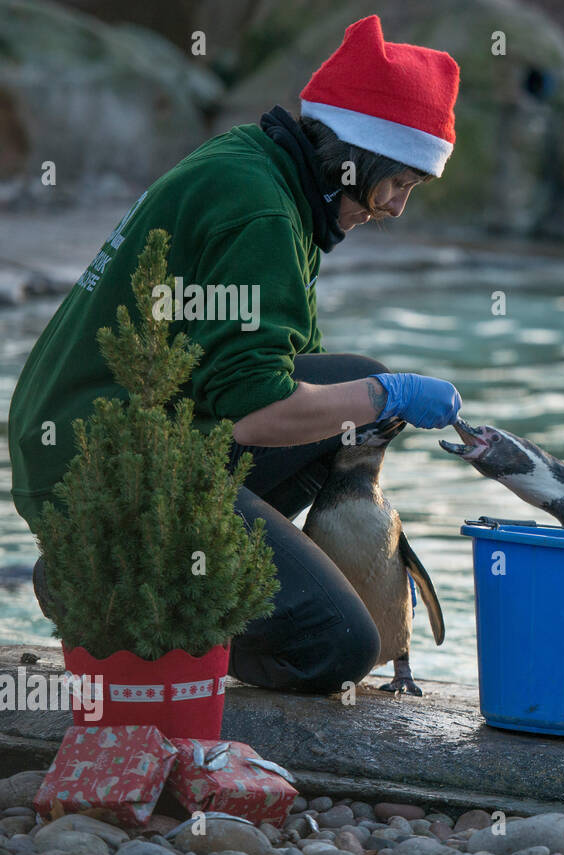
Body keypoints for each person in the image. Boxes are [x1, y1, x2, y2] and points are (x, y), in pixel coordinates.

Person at [8, 16, 460, 693]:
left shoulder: (271, 169)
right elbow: (257, 412)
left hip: (131, 433)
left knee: (353, 392)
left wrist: (370, 400)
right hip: (99, 471)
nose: (396, 207)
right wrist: (388, 398)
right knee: (339, 645)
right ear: (352, 153)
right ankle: (112, 591)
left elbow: (279, 373)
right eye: (398, 181)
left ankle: (165, 571)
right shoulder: (264, 212)